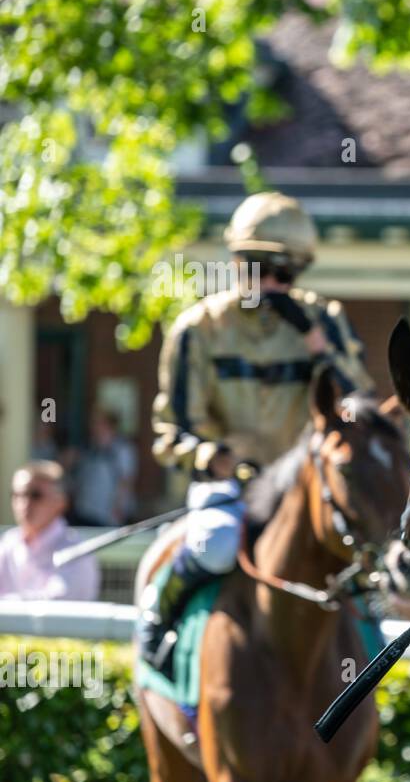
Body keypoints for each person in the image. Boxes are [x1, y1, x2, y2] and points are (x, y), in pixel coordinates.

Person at [143, 191, 372, 670]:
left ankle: (370, 670)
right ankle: (157, 626)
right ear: (234, 262)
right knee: (215, 545)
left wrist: (317, 347)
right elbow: (169, 433)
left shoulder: (324, 320)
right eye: (256, 268)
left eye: (283, 273)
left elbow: (358, 408)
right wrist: (210, 457)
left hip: (302, 492)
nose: (269, 283)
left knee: (365, 560)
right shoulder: (197, 329)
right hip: (230, 490)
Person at [0, 461, 100, 601]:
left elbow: (59, 603)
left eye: (35, 495)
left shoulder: (77, 550)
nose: (24, 503)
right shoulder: (8, 542)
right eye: (16, 495)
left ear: (61, 502)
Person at [69, 408, 138, 528]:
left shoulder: (122, 450)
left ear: (109, 424)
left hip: (108, 514)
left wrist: (119, 507)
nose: (93, 426)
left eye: (97, 422)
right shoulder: (88, 447)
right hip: (85, 511)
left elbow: (126, 480)